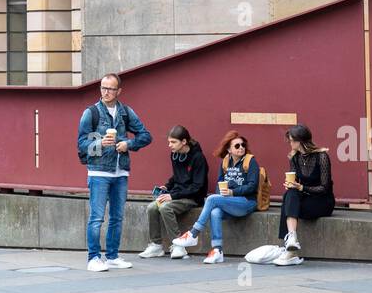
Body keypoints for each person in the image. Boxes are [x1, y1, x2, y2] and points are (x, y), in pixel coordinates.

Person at [76, 72, 151, 272]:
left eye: (110, 88)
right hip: (99, 172)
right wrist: (100, 142)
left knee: (117, 217)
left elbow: (146, 136)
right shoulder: (91, 113)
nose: (106, 92)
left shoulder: (125, 112)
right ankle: (93, 258)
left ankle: (112, 256)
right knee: (97, 217)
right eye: (103, 87)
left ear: (119, 91)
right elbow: (82, 144)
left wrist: (129, 144)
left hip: (121, 172)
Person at [172, 131, 262, 264]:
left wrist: (232, 192)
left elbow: (252, 186)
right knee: (215, 211)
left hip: (247, 202)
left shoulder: (250, 161)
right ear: (228, 149)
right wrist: (222, 194)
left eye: (242, 145)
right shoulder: (225, 162)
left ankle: (193, 233)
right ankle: (217, 250)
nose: (241, 148)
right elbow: (219, 185)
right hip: (230, 203)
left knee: (211, 199)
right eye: (237, 146)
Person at [139, 125, 208, 260]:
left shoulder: (198, 158)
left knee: (165, 207)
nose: (170, 145)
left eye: (173, 142)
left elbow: (197, 187)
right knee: (152, 207)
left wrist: (172, 196)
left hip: (193, 197)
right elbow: (177, 177)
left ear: (184, 142)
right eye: (169, 142)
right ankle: (156, 246)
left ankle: (178, 245)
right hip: (177, 194)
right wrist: (167, 186)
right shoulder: (175, 154)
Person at [274, 124, 334, 266]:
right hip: (305, 198)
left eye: (292, 140)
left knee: (288, 204)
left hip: (322, 202)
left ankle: (290, 250)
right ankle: (292, 239)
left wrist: (301, 187)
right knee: (289, 194)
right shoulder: (294, 157)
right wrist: (292, 185)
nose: (290, 143)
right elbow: (295, 183)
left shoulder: (322, 156)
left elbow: (324, 188)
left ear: (301, 141)